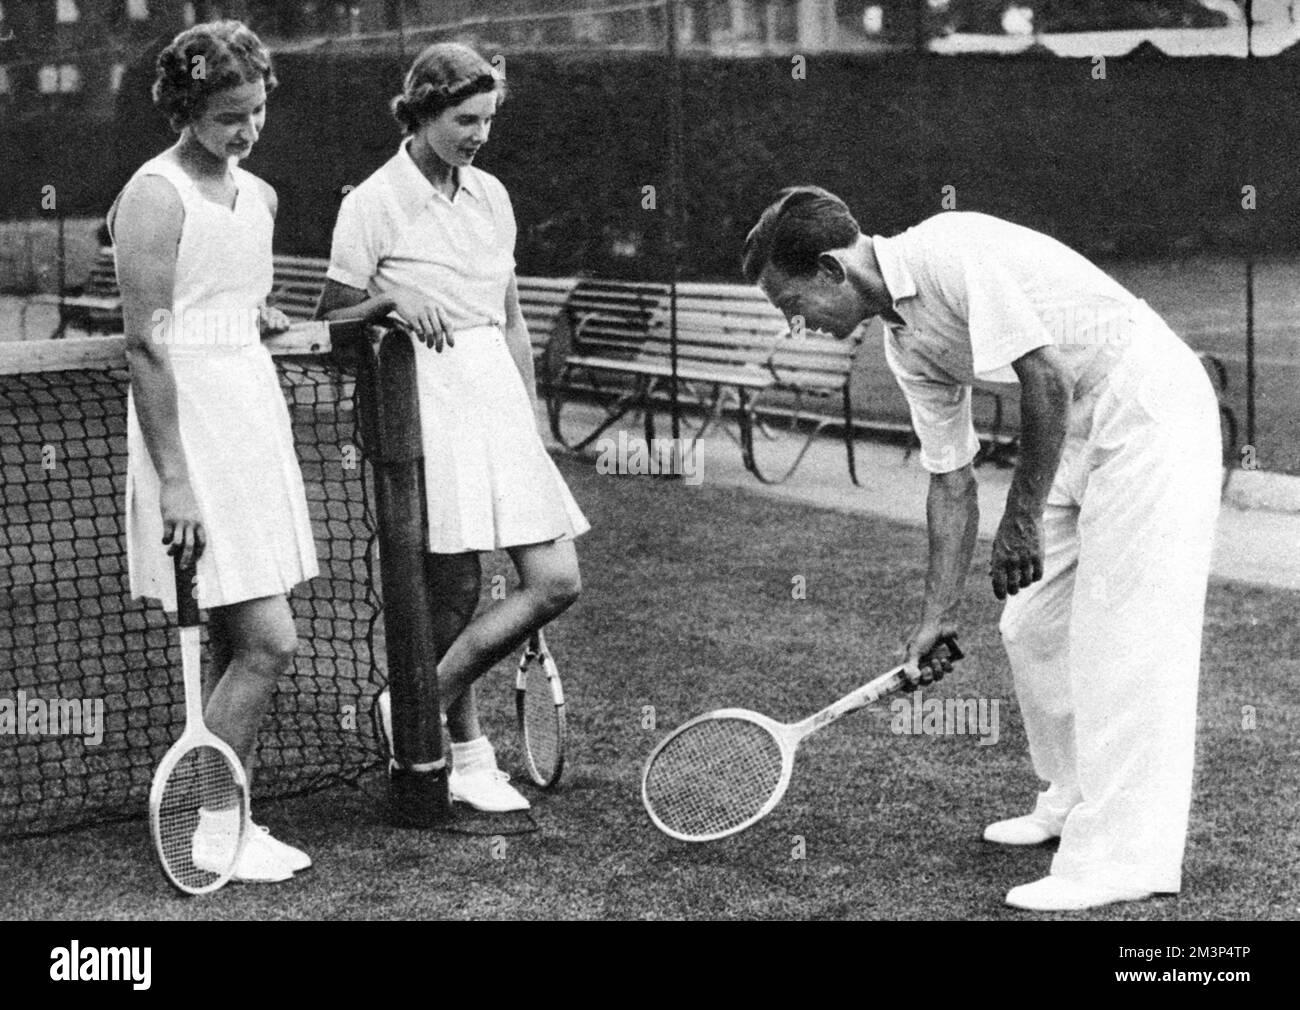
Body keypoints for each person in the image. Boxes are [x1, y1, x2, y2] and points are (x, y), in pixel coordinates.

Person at [742, 188, 1220, 912]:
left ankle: (1126, 857)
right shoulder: (904, 343)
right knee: (1030, 626)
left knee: (1128, 639)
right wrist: (935, 614)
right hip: (1073, 429)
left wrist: (1021, 520)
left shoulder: (951, 249)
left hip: (1147, 404)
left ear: (833, 270)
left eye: (793, 305)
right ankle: (1070, 796)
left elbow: (1046, 377)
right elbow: (950, 480)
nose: (797, 326)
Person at [317, 43, 586, 813]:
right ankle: (464, 755)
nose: (478, 134)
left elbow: (511, 319)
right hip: (422, 403)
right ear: (425, 111)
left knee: (555, 580)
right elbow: (330, 323)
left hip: (497, 397)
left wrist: (529, 425)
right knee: (457, 590)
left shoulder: (493, 195)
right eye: (465, 119)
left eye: (488, 120)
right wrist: (389, 299)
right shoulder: (372, 200)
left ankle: (415, 706)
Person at [112, 20, 314, 882]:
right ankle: (208, 825)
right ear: (186, 109)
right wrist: (176, 481)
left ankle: (234, 815)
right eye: (230, 115)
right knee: (272, 642)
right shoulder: (153, 197)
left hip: (252, 415)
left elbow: (226, 300)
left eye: (259, 110)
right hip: (189, 428)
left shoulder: (259, 196)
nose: (247, 130)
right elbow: (149, 345)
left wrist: (251, 315)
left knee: (240, 641)